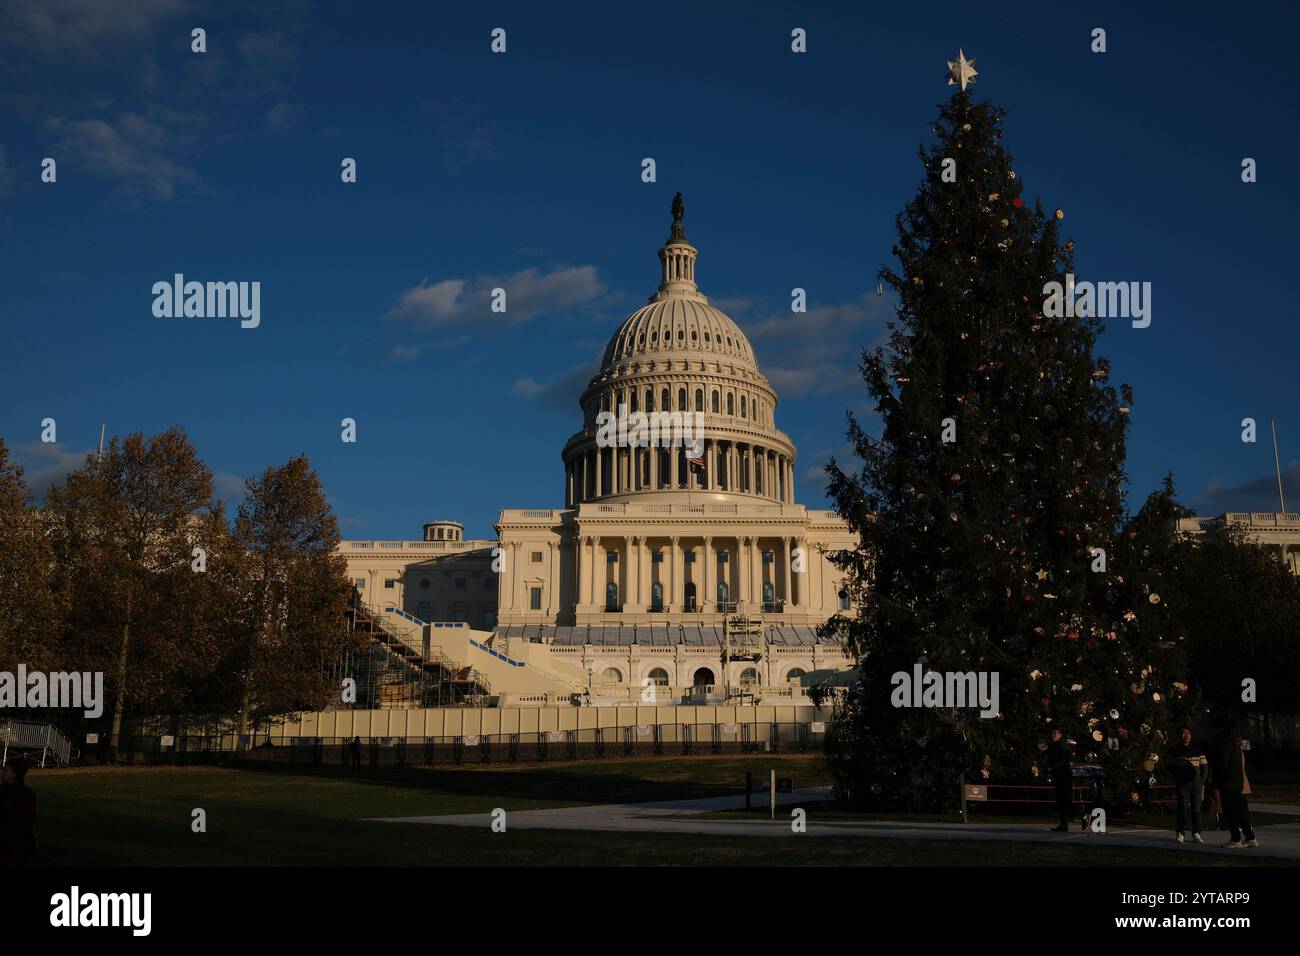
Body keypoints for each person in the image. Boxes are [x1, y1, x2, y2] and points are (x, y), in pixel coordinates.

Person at [1166, 725, 1208, 844]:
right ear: (1179, 735)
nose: (1186, 735)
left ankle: (1196, 833)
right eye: (1183, 733)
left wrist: (1201, 781)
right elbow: (1169, 767)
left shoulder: (1198, 750)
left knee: (1196, 810)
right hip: (1182, 785)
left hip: (1196, 786)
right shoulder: (1173, 751)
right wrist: (1177, 777)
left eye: (1188, 733)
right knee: (1182, 809)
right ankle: (1180, 833)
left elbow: (1205, 768)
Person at [1216, 735, 1258, 848]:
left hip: (1233, 783)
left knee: (1231, 811)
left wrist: (1217, 781)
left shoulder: (1228, 745)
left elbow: (1223, 764)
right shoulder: (1239, 745)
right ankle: (1250, 837)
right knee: (1242, 811)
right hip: (1241, 783)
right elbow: (1251, 746)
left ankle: (1236, 838)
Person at [0, 756, 38, 866]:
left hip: (13, 844)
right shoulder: (3, 789)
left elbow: (25, 822)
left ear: (15, 774)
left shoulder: (25, 794)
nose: (3, 772)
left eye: (6, 770)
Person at [1046, 727, 1073, 832]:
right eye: (1052, 733)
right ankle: (1063, 824)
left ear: (1060, 734)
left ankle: (1067, 822)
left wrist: (1051, 766)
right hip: (1060, 775)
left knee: (1064, 800)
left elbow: (1062, 761)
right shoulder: (1056, 745)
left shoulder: (1062, 746)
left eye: (1056, 733)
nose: (1054, 735)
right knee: (1062, 800)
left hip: (1064, 775)